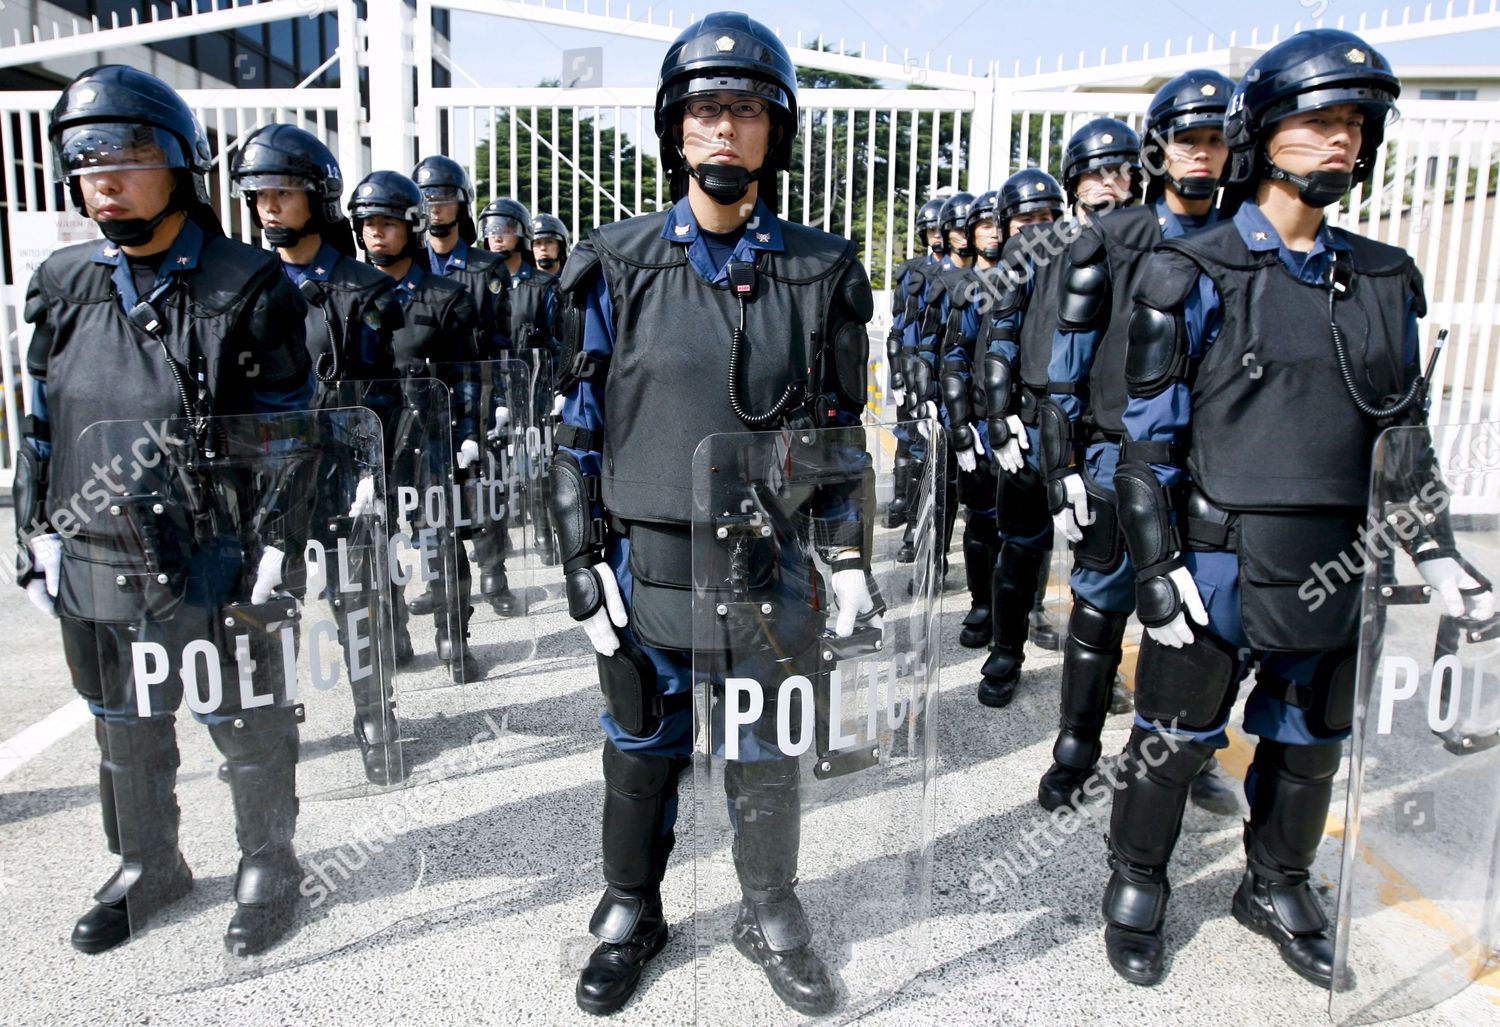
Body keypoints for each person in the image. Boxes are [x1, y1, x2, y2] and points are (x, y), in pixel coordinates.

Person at [1102, 29, 1493, 988]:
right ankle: (1138, 880)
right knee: (1173, 737)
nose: (1341, 142)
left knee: (1312, 739)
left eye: (1354, 125)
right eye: (1320, 120)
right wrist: (1154, 571)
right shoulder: (1187, 268)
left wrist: (1437, 551)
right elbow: (1145, 443)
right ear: (1265, 130)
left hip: (1342, 558)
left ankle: (1276, 881)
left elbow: (1404, 433)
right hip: (1219, 555)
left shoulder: (1385, 278)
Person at [549, 12, 876, 1016]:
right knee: (642, 746)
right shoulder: (616, 263)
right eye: (705, 111)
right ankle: (631, 907)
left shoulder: (820, 272)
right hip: (647, 564)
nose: (723, 129)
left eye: (743, 109)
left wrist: (851, 553)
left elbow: (841, 429)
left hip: (768, 568)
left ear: (774, 130)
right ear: (676, 130)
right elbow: (576, 427)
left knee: (767, 749)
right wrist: (579, 557)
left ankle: (768, 905)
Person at [16, 66, 315, 955]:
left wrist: (276, 549)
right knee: (123, 723)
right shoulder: (62, 282)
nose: (100, 173)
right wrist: (34, 528)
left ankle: (271, 861)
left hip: (212, 550)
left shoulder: (249, 285)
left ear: (178, 161)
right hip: (97, 548)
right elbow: (39, 422)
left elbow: (287, 437)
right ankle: (148, 861)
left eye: (124, 150)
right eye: (80, 155)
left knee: (244, 716)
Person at [1034, 72, 1237, 814]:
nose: (1202, 155)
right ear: (1160, 148)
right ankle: (1074, 752)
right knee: (1098, 609)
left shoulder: (1247, 240)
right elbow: (1067, 367)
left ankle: (1184, 754)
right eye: (1187, 139)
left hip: (1213, 471)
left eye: (1216, 139)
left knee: (1193, 624)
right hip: (1118, 458)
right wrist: (1061, 468)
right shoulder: (1114, 238)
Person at [230, 124, 410, 785]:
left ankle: (375, 716)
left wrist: (374, 464)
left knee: (357, 597)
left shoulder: (364, 287)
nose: (270, 207)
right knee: (269, 601)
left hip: (340, 470)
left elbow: (386, 392)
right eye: (259, 194)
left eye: (283, 192)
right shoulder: (240, 283)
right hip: (269, 473)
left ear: (317, 196)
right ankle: (272, 728)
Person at [976, 123, 1138, 708]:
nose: (1104, 184)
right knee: (1022, 544)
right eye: (1092, 172)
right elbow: (1001, 337)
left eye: (1116, 170)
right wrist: (999, 414)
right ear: (1073, 180)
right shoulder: (1034, 248)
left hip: (1110, 432)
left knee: (1106, 568)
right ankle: (1006, 650)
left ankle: (1099, 672)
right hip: (1033, 419)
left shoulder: (1152, 249)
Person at [349, 169, 486, 681]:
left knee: (441, 540)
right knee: (376, 546)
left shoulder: (445, 296)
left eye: (386, 223)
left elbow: (468, 378)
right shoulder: (346, 294)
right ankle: (395, 633)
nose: (375, 234)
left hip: (431, 440)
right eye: (367, 224)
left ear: (410, 225)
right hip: (370, 446)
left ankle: (454, 637)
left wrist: (468, 435)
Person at [409, 156, 520, 618]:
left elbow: (500, 342)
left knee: (481, 488)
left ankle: (494, 572)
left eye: (446, 196)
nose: (436, 206)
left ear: (462, 204)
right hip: (420, 401)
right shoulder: (405, 266)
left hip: (474, 395)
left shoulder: (485, 269)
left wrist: (500, 403)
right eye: (428, 197)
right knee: (430, 500)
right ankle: (442, 584)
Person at [883, 197, 944, 533]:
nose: (937, 235)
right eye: (931, 229)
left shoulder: (959, 270)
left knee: (935, 445)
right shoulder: (913, 272)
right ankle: (901, 502)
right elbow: (898, 325)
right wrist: (897, 371)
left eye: (941, 228)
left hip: (943, 368)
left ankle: (919, 521)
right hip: (912, 366)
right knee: (907, 436)